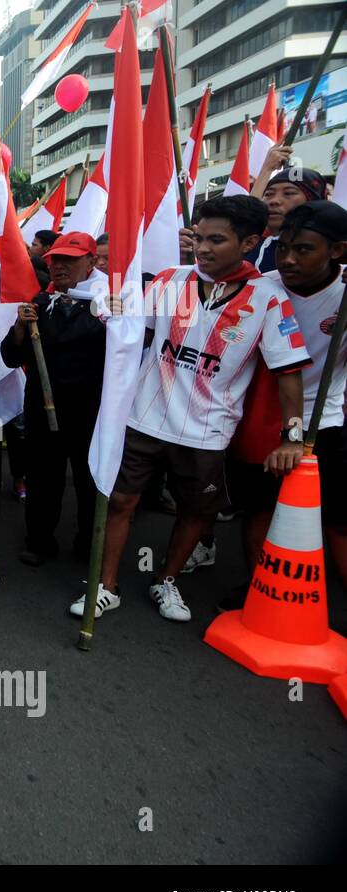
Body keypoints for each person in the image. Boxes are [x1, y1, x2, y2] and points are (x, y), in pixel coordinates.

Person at [71, 195, 310, 623]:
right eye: (199, 237)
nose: (202, 248)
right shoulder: (168, 280)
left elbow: (288, 372)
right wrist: (107, 304)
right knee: (121, 498)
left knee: (196, 511)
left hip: (207, 430)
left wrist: (293, 435)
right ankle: (106, 585)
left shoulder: (270, 298)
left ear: (251, 241)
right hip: (144, 417)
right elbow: (128, 320)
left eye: (216, 239)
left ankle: (166, 580)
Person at [206, 201, 347, 603]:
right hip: (265, 417)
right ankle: (259, 592)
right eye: (283, 247)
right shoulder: (262, 287)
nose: (287, 259)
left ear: (336, 251)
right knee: (260, 507)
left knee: (338, 520)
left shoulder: (344, 293)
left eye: (303, 250)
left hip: (327, 416)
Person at [1, 232, 108, 566]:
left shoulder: (109, 304)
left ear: (91, 262)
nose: (60, 266)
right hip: (42, 408)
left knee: (89, 481)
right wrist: (20, 327)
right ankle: (39, 540)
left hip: (89, 410)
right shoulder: (40, 302)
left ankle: (89, 546)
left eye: (70, 260)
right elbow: (9, 356)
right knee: (43, 478)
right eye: (56, 259)